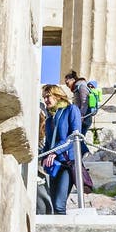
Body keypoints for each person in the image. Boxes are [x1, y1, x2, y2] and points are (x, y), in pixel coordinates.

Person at [41, 83, 83, 215]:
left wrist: (54, 152)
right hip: (54, 165)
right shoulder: (49, 119)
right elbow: (48, 143)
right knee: (53, 204)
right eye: (44, 97)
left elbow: (75, 136)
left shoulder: (71, 110)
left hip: (67, 163)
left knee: (59, 204)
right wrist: (43, 157)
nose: (45, 100)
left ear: (58, 96)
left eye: (48, 96)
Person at [64, 71, 92, 136]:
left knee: (80, 139)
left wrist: (81, 115)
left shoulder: (81, 86)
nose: (67, 85)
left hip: (84, 117)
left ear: (73, 80)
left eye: (67, 82)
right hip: (81, 117)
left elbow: (85, 102)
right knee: (79, 140)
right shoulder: (77, 88)